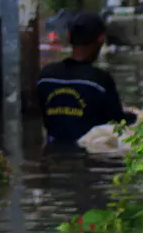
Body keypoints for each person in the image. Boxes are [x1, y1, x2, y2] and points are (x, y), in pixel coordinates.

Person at [35, 11, 137, 144]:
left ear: (69, 36)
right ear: (100, 39)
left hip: (52, 152)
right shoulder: (100, 81)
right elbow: (117, 123)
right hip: (90, 153)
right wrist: (135, 117)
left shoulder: (45, 77)